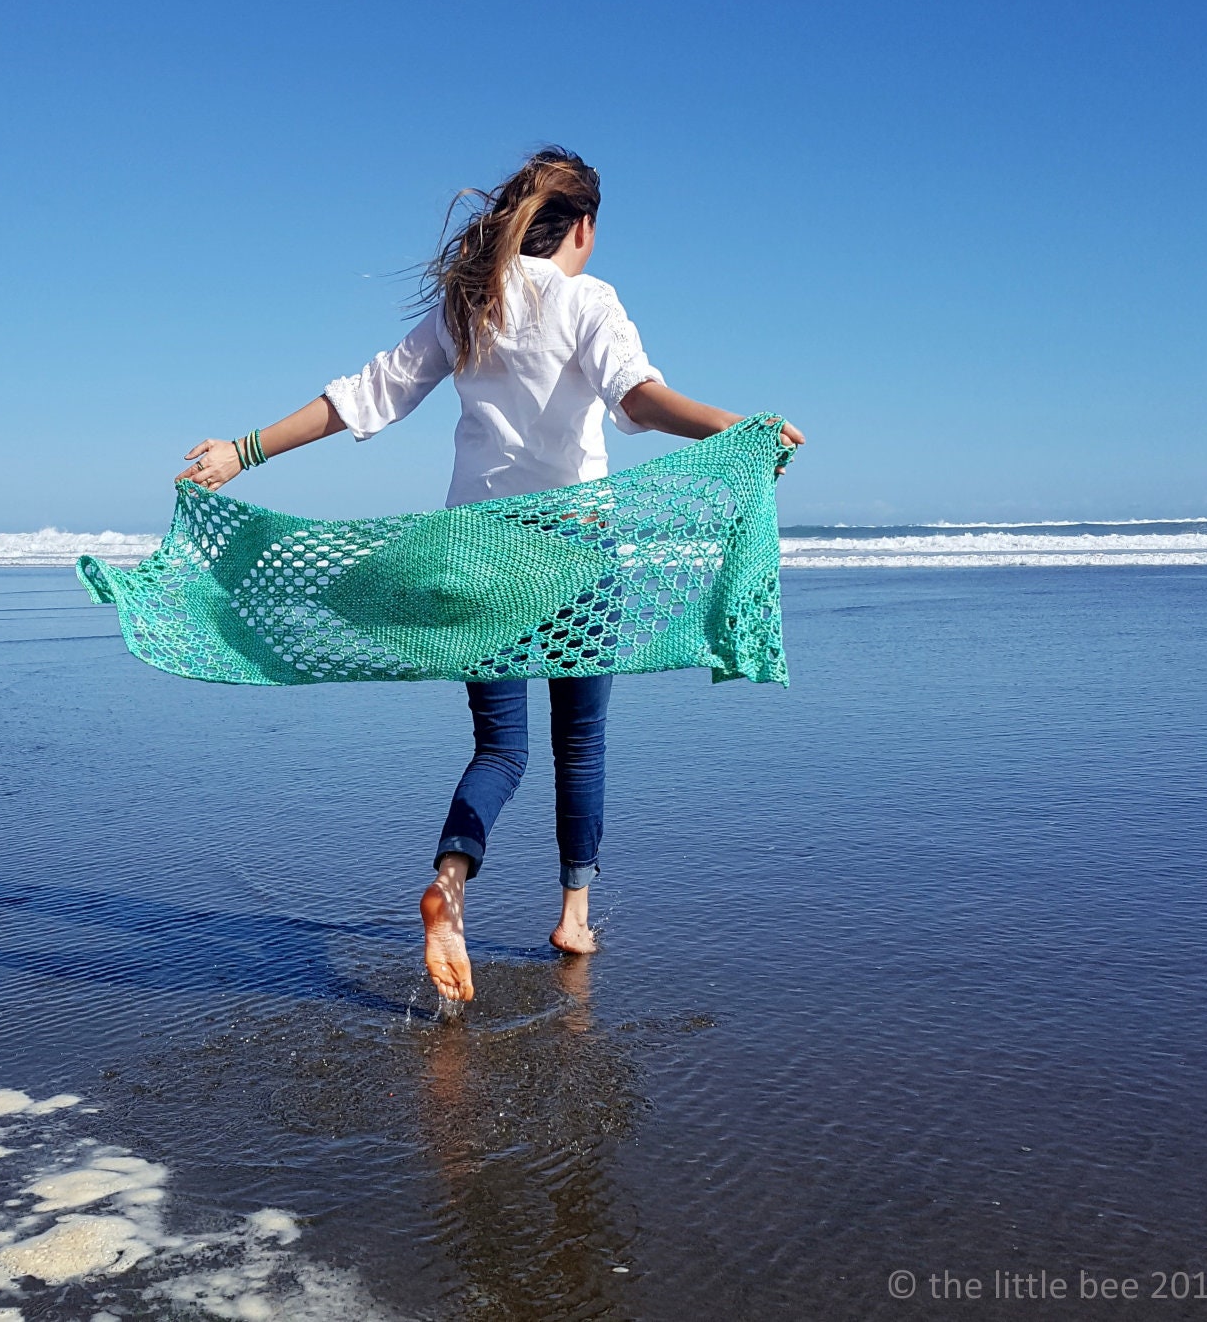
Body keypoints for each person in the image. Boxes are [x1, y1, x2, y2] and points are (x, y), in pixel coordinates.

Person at [176, 148, 803, 1003]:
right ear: (583, 228)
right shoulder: (591, 300)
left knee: (499, 748)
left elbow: (366, 397)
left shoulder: (469, 305)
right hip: (577, 553)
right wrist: (737, 429)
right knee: (579, 742)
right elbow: (640, 401)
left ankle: (452, 883)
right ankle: (573, 915)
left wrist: (242, 452)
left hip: (477, 556)